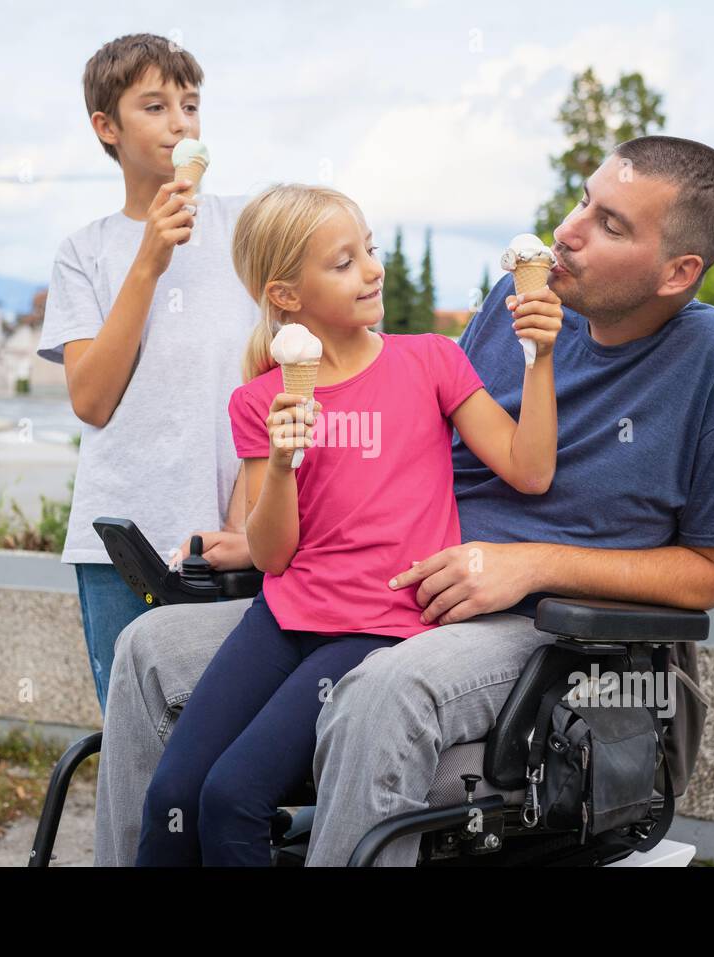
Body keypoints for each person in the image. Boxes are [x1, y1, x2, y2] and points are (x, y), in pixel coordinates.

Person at [93, 134, 714, 867]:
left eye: (611, 225)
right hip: (383, 583)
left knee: (379, 690)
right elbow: (404, 439)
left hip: (536, 624)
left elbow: (710, 572)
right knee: (150, 648)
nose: (567, 232)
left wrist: (527, 564)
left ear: (679, 272)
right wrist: (275, 526)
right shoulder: (514, 299)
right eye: (583, 201)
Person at [133, 184, 561, 865]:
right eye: (343, 262)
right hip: (283, 620)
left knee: (231, 798)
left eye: (370, 249)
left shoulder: (431, 362)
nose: (371, 269)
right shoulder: (260, 399)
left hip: (377, 624)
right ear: (287, 295)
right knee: (174, 794)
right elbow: (274, 557)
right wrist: (279, 462)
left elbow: (530, 468)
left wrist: (539, 357)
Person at [37, 34, 257, 711]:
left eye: (190, 106)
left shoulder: (248, 228)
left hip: (242, 537)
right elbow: (93, 399)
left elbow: (281, 372)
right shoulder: (85, 252)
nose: (180, 123)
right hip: (121, 545)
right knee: (134, 742)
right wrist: (148, 261)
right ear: (107, 127)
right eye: (156, 106)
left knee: (226, 742)